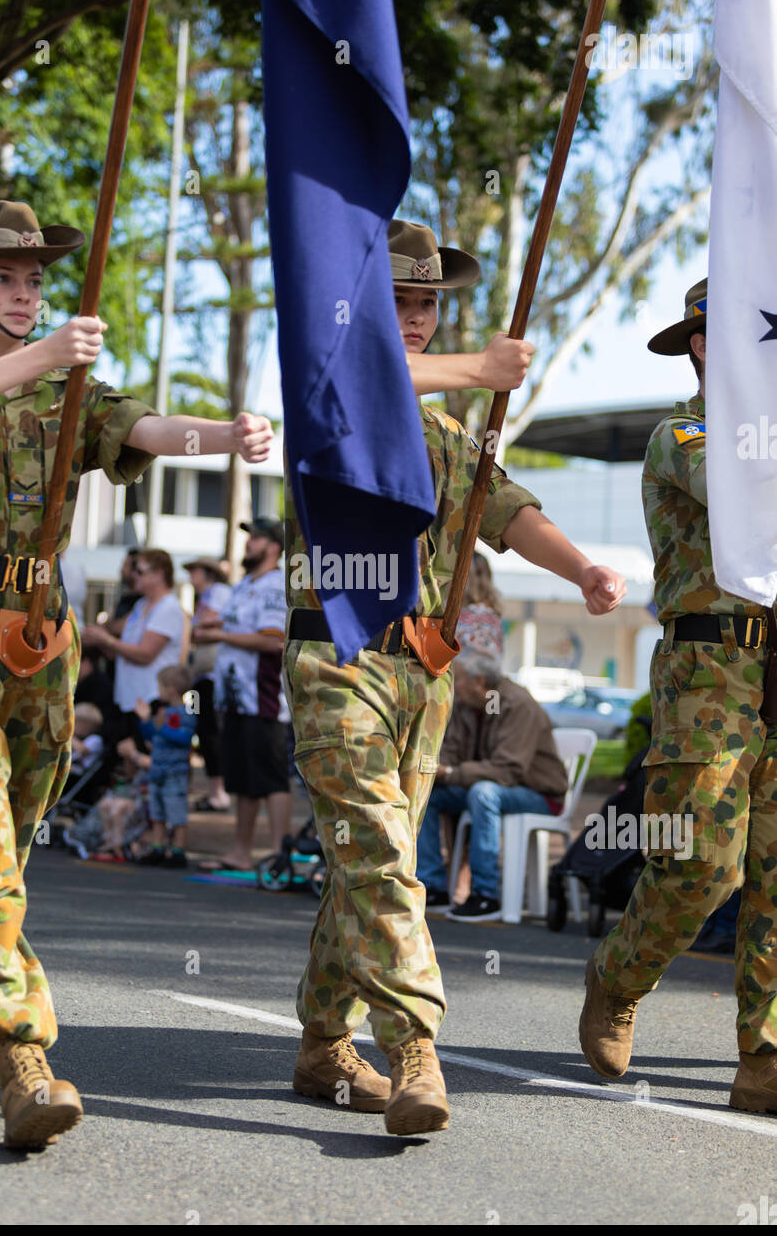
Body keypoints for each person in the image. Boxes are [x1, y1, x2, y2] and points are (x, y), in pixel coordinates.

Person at [0, 200, 272, 1148]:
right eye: (3, 279)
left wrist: (232, 439)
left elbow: (150, 430)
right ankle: (22, 1059)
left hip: (44, 630)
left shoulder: (73, 393)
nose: (26, 295)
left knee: (8, 841)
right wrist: (44, 358)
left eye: (34, 281)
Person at [284, 218, 625, 1137]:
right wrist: (482, 369)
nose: (418, 316)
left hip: (421, 675)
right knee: (387, 853)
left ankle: (323, 1043)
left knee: (363, 862)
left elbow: (506, 510)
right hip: (338, 659)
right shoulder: (329, 384)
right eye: (398, 298)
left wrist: (583, 570)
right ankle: (414, 1048)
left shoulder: (442, 427)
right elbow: (364, 380)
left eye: (428, 300)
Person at [578, 279, 777, 1115]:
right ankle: (618, 977)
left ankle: (763, 1056)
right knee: (702, 867)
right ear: (704, 345)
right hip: (709, 675)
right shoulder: (683, 435)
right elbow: (749, 495)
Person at [416, 640, 567, 917]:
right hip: (487, 786)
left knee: (483, 793)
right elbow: (451, 752)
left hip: (538, 795)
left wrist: (450, 773)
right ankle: (433, 886)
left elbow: (508, 771)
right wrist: (437, 768)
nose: (453, 685)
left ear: (479, 681)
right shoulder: (466, 704)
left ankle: (485, 894)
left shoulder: (517, 704)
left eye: (457, 679)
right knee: (427, 793)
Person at [198, 519, 291, 874]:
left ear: (273, 547)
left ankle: (282, 852)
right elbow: (233, 626)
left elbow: (272, 640)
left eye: (255, 538)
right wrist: (213, 627)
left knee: (271, 776)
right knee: (241, 777)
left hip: (262, 697)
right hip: (235, 698)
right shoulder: (243, 586)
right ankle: (241, 850)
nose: (248, 544)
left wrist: (219, 636)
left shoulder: (273, 586)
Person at [82, 548, 189, 747]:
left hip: (151, 700)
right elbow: (126, 647)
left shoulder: (168, 608)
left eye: (139, 571)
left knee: (146, 763)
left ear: (158, 574)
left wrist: (105, 640)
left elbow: (145, 654)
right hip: (132, 700)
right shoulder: (141, 605)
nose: (133, 575)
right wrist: (101, 642)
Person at [133, 664, 196, 869]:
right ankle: (158, 846)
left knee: (176, 811)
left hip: (174, 772)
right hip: (157, 769)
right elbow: (153, 736)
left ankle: (178, 850)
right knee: (157, 811)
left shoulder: (184, 713)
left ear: (170, 689)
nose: (158, 692)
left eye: (160, 687)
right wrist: (145, 721)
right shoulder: (164, 712)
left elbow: (185, 738)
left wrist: (163, 727)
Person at [184, 557, 231, 812]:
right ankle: (216, 791)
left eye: (195, 570)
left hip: (212, 674)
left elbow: (204, 627)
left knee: (211, 731)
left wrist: (198, 628)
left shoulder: (219, 593)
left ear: (208, 573)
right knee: (204, 730)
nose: (191, 576)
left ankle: (219, 792)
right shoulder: (205, 597)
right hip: (202, 674)